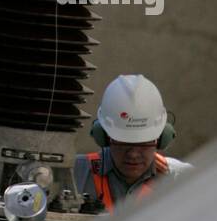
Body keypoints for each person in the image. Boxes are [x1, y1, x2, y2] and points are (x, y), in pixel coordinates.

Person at [74, 74, 192, 211]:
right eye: (123, 142)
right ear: (104, 136)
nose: (133, 154)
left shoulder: (186, 180)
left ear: (161, 138)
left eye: (145, 142)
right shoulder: (73, 175)